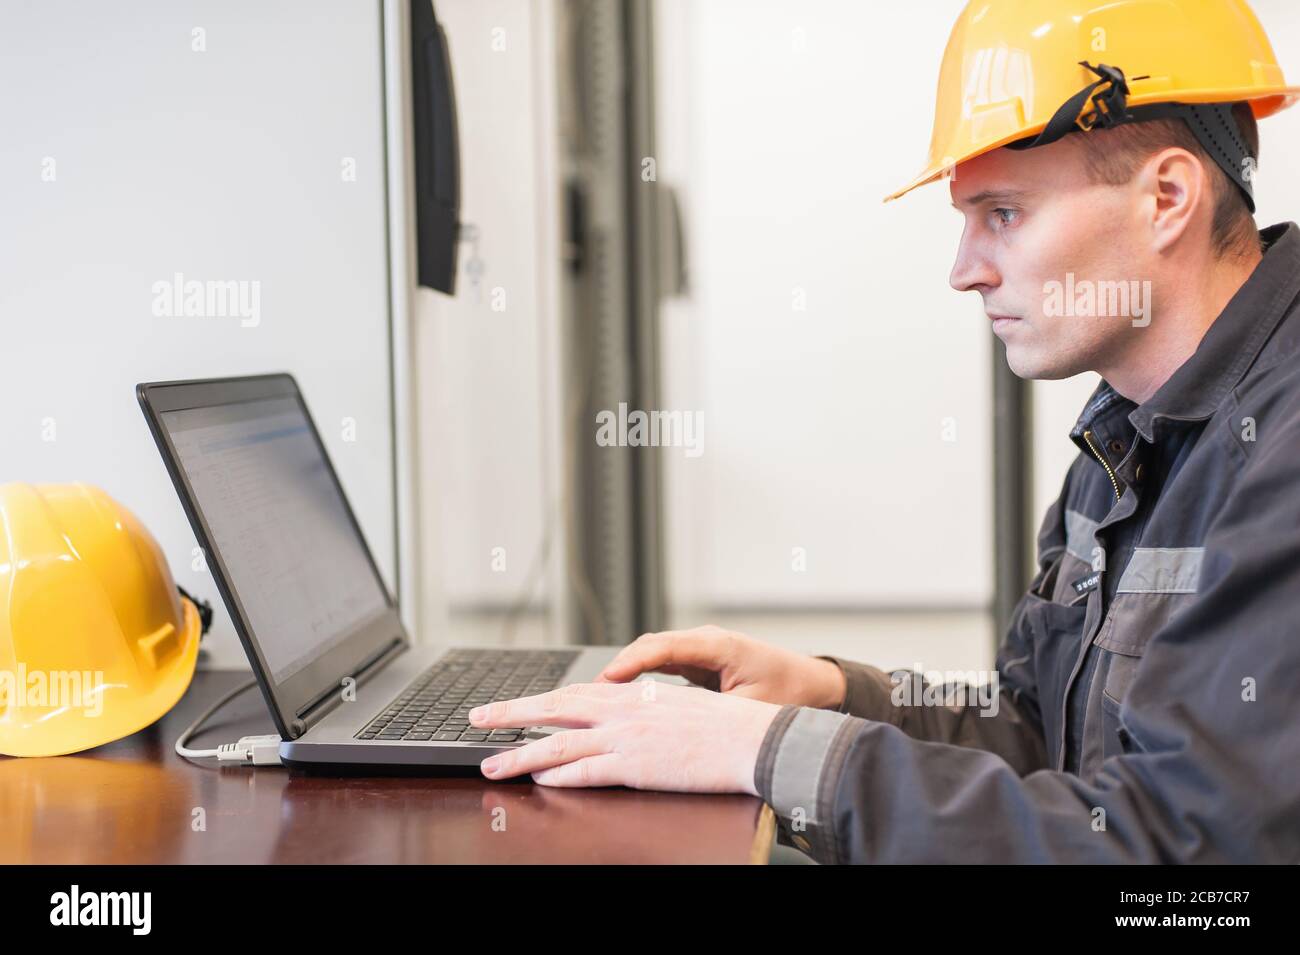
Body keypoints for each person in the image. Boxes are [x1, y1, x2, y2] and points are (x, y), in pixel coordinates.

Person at [468, 0, 1300, 863]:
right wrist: (828, 695)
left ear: (1166, 197)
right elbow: (1037, 732)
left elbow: (1181, 870)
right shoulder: (1131, 435)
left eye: (1004, 214)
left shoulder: (1283, 449)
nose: (964, 270)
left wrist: (762, 750)